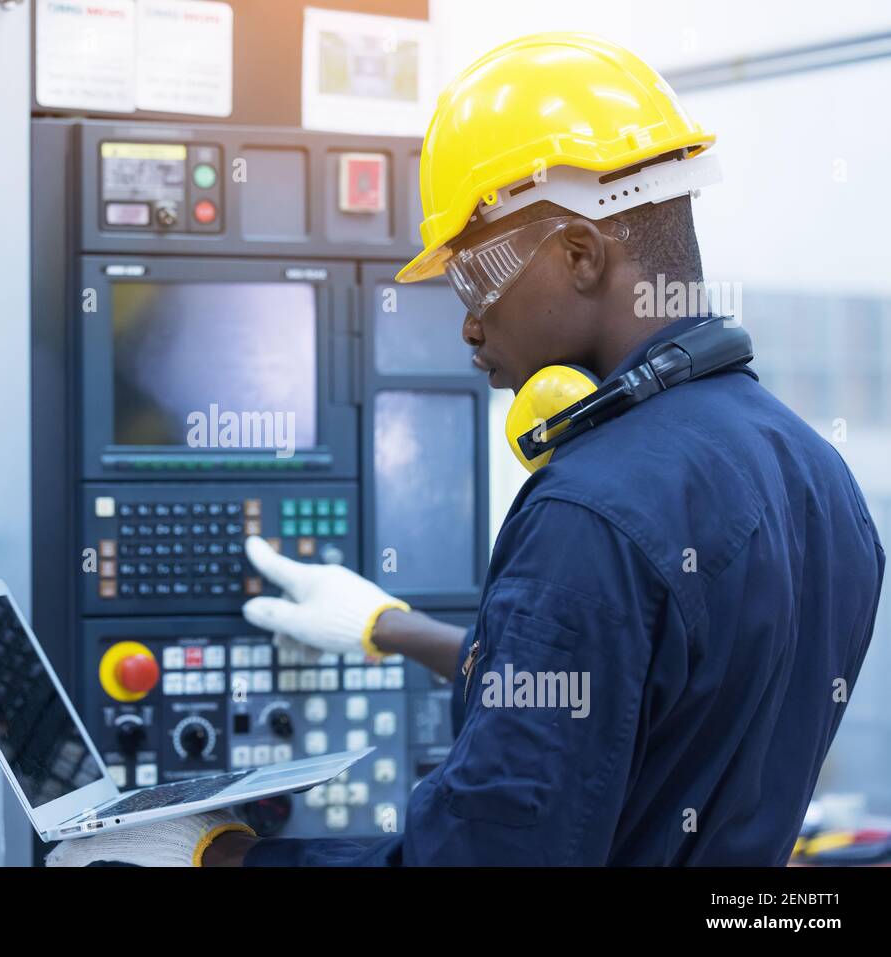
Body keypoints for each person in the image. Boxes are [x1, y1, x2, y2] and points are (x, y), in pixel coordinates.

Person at [47, 32, 884, 868]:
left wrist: (215, 855)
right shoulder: (822, 480)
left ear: (580, 254)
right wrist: (392, 628)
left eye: (476, 281)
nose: (470, 325)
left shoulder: (589, 509)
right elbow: (640, 698)